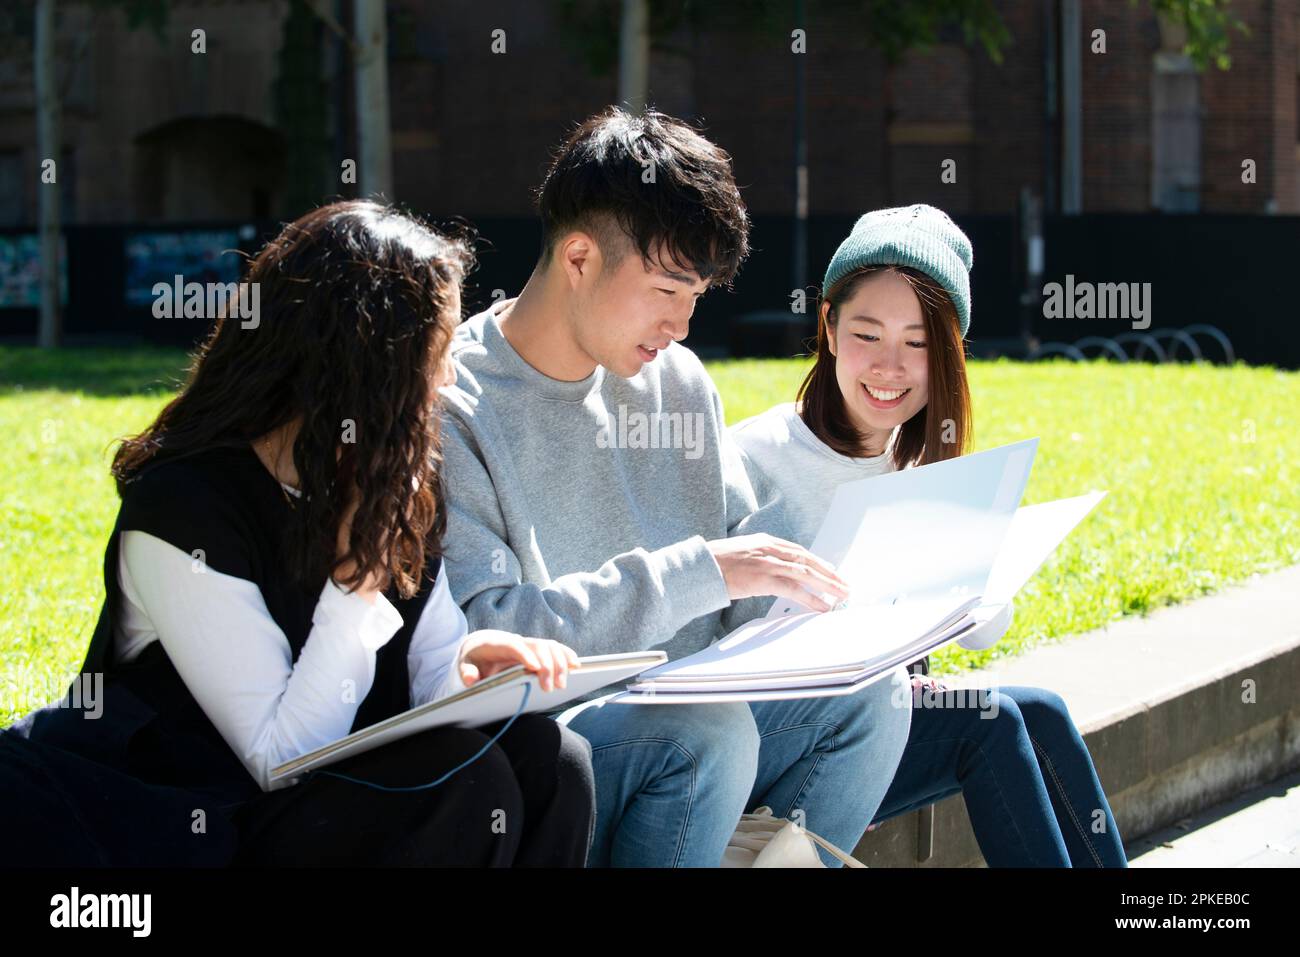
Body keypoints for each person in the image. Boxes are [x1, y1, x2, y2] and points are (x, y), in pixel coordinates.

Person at [0, 200, 595, 867]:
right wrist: (352, 585)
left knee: (551, 757)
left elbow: (426, 675)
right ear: (363, 364)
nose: (448, 377)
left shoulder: (396, 473)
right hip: (195, 816)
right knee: (459, 781)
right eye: (436, 351)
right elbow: (280, 758)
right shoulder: (185, 508)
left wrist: (469, 668)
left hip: (322, 793)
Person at [437, 106, 913, 868]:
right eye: (667, 289)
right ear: (581, 259)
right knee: (705, 732)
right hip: (560, 750)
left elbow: (739, 583)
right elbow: (490, 638)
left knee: (872, 701)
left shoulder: (677, 382)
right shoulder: (456, 403)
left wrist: (863, 611)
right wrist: (702, 571)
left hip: (701, 712)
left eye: (696, 295)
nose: (683, 325)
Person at [729, 204, 1127, 866]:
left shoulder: (917, 461)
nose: (890, 367)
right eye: (867, 334)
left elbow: (981, 632)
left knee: (1042, 710)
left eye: (917, 342)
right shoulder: (754, 458)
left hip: (878, 716)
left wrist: (976, 574)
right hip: (764, 744)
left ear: (946, 353)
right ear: (827, 326)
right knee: (989, 720)